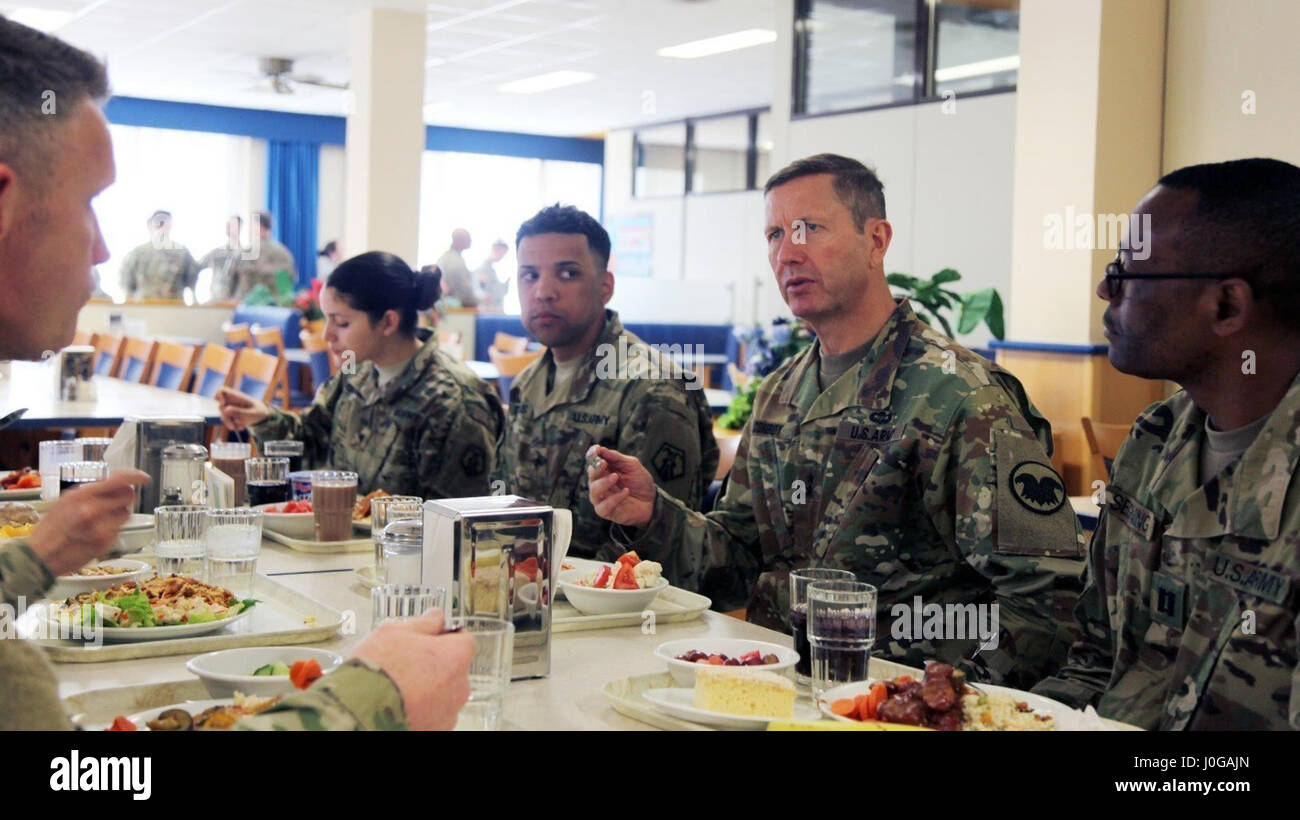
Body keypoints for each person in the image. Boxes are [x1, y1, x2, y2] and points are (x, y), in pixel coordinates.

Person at [0, 16, 473, 731]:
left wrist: (33, 563)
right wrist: (376, 700)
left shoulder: (449, 396)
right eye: (90, 204)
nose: (102, 247)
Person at [587, 154, 1086, 688]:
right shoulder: (780, 393)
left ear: (876, 241)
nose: (787, 253)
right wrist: (653, 515)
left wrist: (938, 702)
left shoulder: (961, 395)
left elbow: (1046, 602)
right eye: (774, 234)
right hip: (778, 688)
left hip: (898, 703)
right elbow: (736, 562)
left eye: (810, 229)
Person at [1032, 158, 1300, 730]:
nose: (1107, 288)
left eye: (1129, 272)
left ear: (1226, 305)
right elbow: (1096, 660)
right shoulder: (1155, 440)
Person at [494, 205, 718, 560]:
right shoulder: (529, 382)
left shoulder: (651, 389)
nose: (543, 291)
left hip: (610, 605)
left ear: (604, 287)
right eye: (529, 275)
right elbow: (502, 505)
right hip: (525, 592)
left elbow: (655, 551)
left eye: (567, 273)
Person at [216, 252, 505, 500]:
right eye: (326, 319)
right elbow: (312, 439)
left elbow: (452, 526)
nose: (328, 335)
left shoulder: (454, 402)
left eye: (341, 322)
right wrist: (262, 417)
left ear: (388, 321)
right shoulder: (356, 368)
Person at [117, 209, 198, 301]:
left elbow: (192, 281)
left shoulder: (182, 253)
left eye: (165, 221)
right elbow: (125, 282)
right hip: (144, 307)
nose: (162, 224)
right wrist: (131, 303)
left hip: (174, 308)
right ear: (149, 226)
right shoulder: (137, 253)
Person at [233, 210, 296, 300]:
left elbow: (234, 281)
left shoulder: (247, 251)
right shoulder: (284, 252)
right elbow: (289, 283)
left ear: (258, 226)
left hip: (248, 307)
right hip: (276, 306)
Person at [197, 214, 245, 303]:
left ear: (239, 228)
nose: (228, 227)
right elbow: (195, 267)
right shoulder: (217, 253)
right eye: (227, 224)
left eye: (231, 224)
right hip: (216, 303)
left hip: (236, 306)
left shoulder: (246, 256)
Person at [437, 228, 478, 307]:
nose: (471, 241)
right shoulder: (455, 261)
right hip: (456, 308)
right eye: (468, 239)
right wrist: (477, 302)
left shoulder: (446, 257)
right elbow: (463, 291)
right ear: (459, 241)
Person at [475, 239, 510, 313]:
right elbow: (480, 290)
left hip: (494, 308)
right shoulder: (483, 269)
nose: (501, 257)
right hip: (488, 310)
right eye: (501, 254)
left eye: (503, 255)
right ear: (494, 250)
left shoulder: (492, 271)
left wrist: (506, 284)